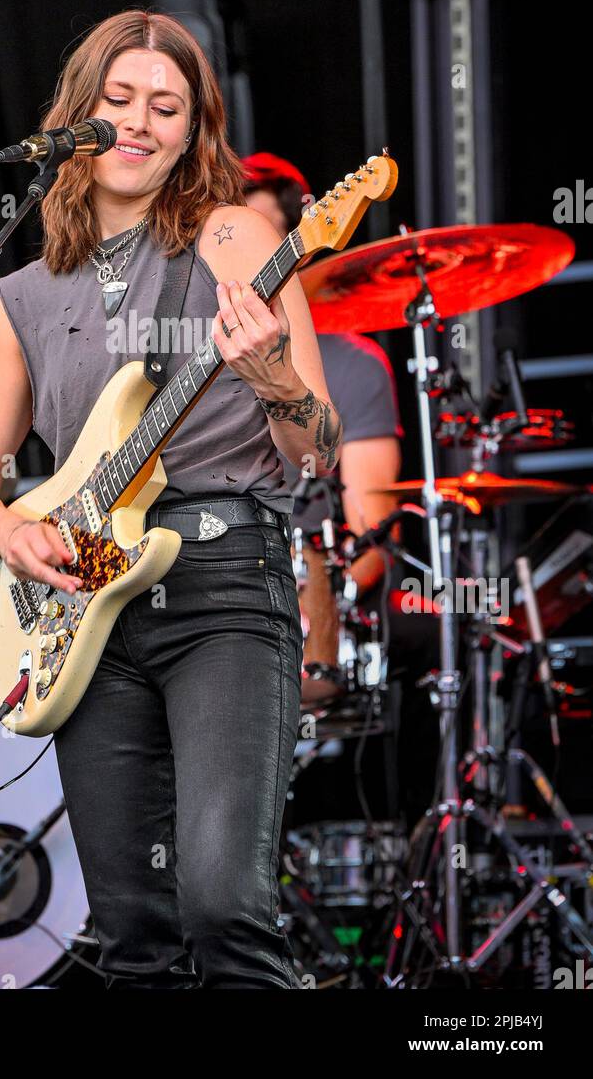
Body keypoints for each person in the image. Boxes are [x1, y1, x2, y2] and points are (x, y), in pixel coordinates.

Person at [0, 11, 342, 988]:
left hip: (219, 591)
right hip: (85, 616)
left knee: (221, 901)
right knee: (128, 936)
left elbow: (320, 450)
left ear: (190, 131)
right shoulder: (29, 293)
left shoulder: (235, 232)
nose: (138, 120)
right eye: (116, 99)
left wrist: (273, 373)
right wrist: (10, 531)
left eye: (166, 106)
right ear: (76, 114)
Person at [242, 155, 440, 826]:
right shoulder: (185, 354)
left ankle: (415, 839)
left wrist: (320, 604)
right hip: (203, 583)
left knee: (438, 631)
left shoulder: (353, 364)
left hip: (308, 592)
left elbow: (374, 537)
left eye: (269, 240)